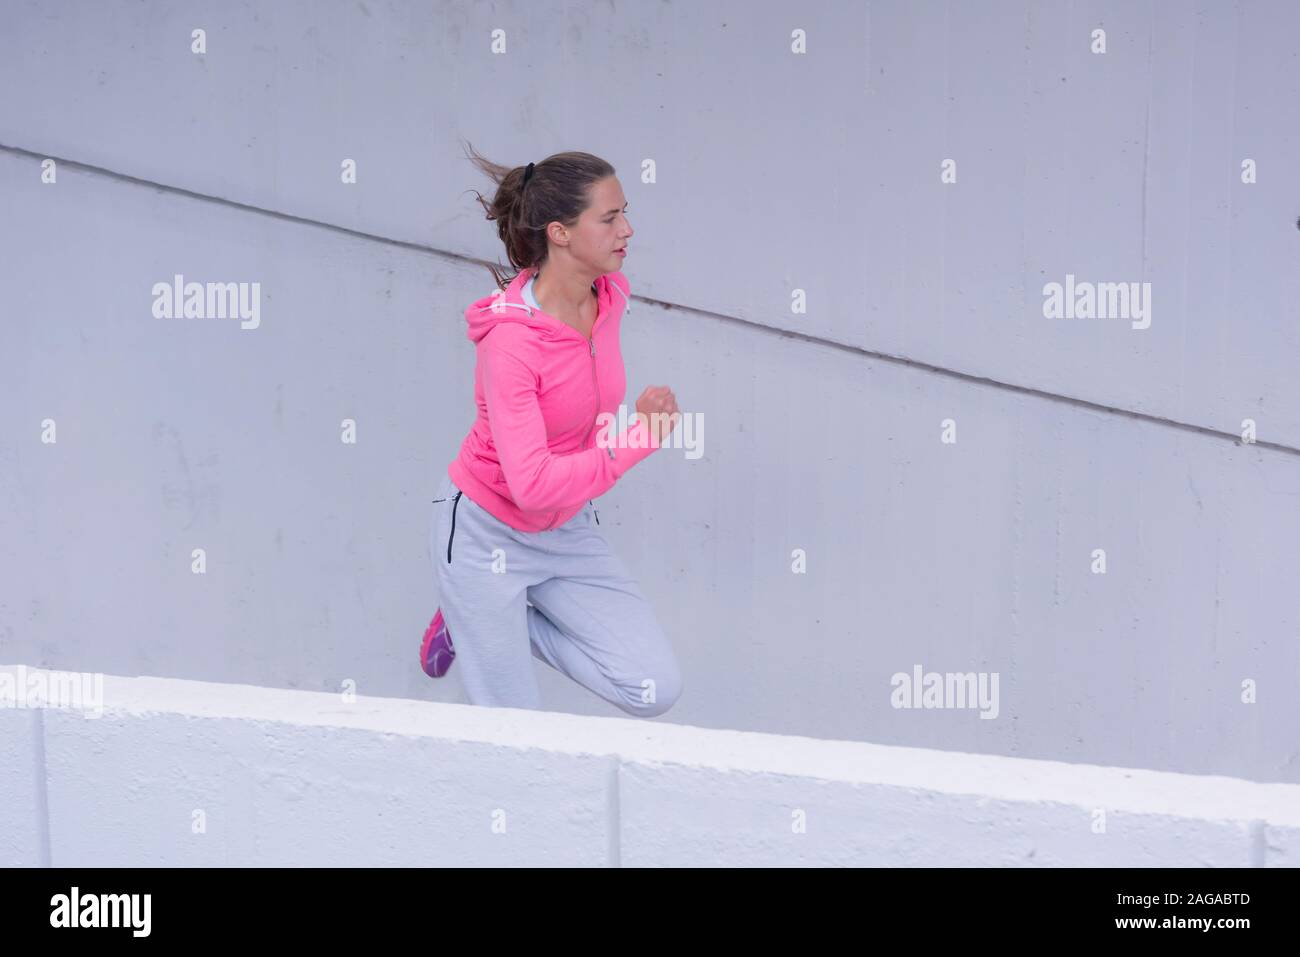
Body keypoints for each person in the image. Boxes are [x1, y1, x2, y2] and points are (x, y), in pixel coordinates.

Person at [421, 144, 682, 716]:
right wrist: (636, 439)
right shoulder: (512, 343)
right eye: (610, 218)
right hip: (487, 534)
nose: (627, 230)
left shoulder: (610, 296)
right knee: (514, 739)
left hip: (567, 530)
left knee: (653, 688)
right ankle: (472, 606)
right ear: (560, 234)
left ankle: (478, 619)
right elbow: (531, 484)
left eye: (624, 213)